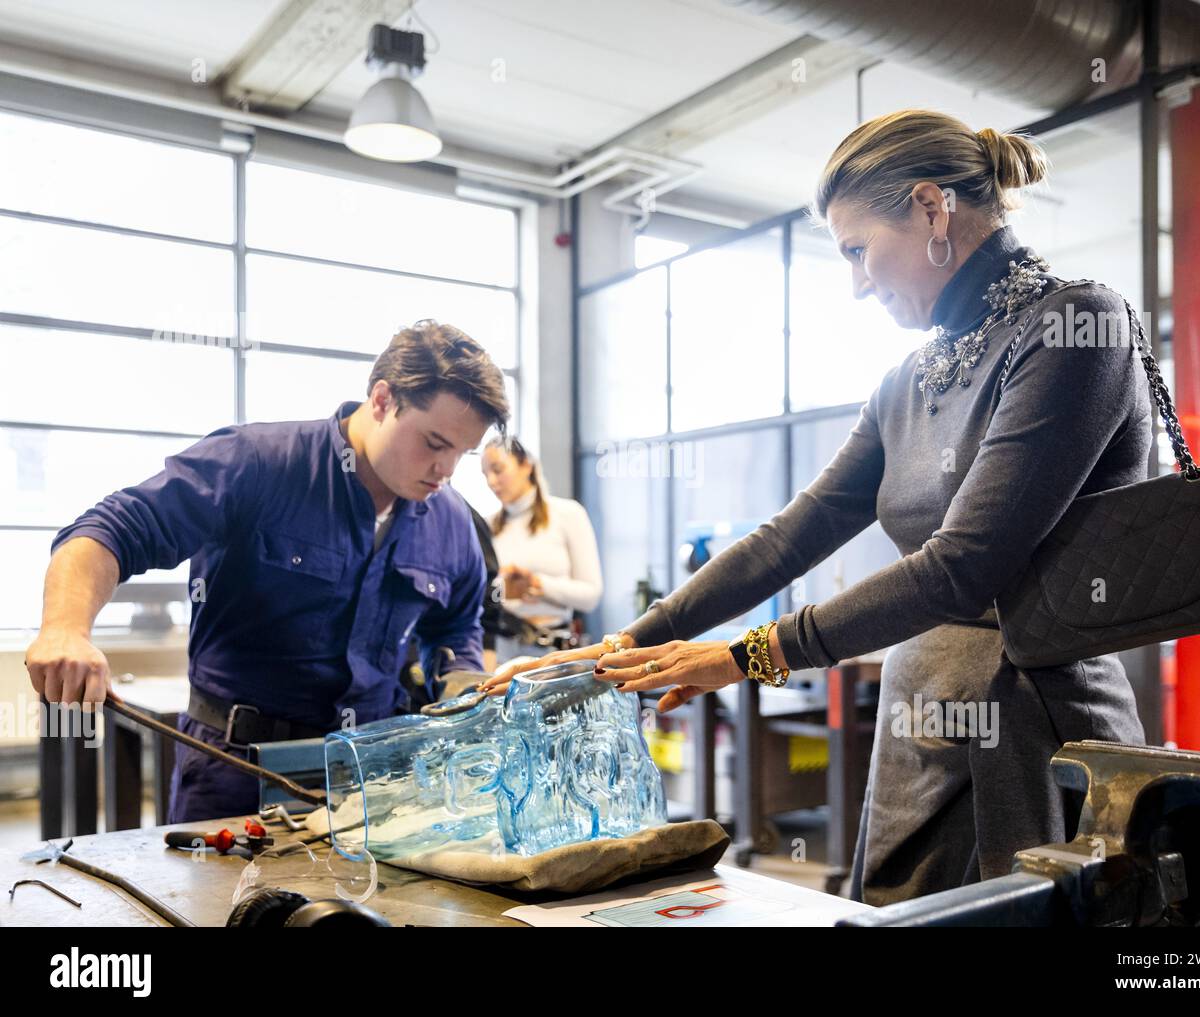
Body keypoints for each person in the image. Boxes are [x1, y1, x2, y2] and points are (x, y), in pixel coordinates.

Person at [485, 109, 1149, 906]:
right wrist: (623, 648)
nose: (859, 283)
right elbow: (790, 536)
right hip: (920, 720)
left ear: (932, 209)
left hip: (1029, 724)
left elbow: (962, 568)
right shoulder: (908, 378)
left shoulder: (1076, 330)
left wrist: (742, 657)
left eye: (858, 251)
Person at [26, 320, 510, 822]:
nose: (447, 468)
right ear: (384, 400)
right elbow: (111, 530)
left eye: (462, 452)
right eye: (434, 443)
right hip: (234, 775)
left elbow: (455, 626)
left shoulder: (451, 522)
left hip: (370, 786)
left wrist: (462, 689)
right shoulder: (256, 464)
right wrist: (65, 628)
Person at [481, 437, 602, 666]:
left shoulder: (568, 514)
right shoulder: (487, 526)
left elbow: (591, 595)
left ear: (526, 465)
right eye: (485, 474)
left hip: (554, 654)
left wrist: (537, 584)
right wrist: (502, 588)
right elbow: (483, 597)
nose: (491, 481)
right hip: (502, 651)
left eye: (498, 470)